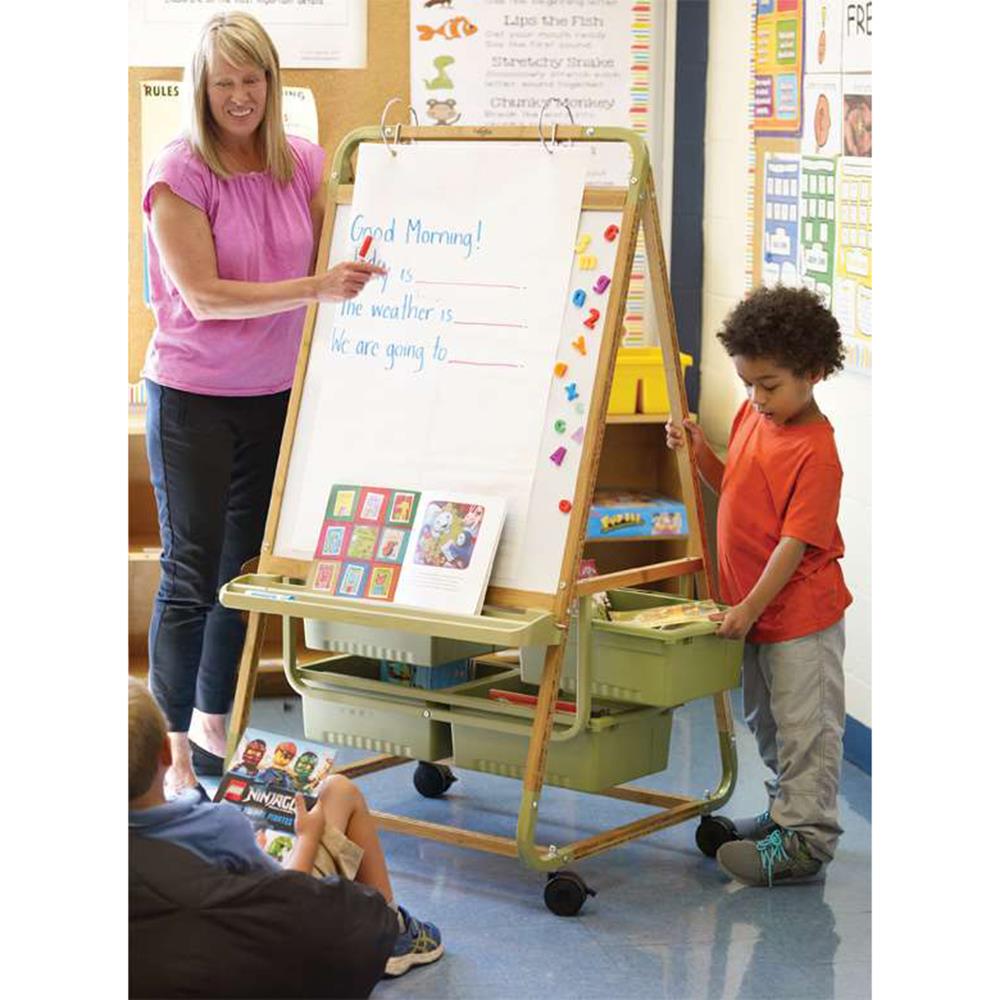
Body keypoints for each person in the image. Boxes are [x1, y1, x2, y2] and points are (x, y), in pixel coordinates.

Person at [141, 12, 385, 795]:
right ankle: (169, 751)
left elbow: (341, 248)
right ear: (200, 90)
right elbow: (205, 297)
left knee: (244, 573)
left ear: (273, 85)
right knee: (190, 571)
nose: (240, 97)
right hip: (192, 397)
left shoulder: (305, 161)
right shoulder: (178, 171)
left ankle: (215, 720)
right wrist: (317, 288)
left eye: (253, 81)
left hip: (275, 393)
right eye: (224, 84)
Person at [666, 285, 852, 887]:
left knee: (807, 732)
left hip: (799, 618)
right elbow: (738, 489)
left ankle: (806, 843)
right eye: (748, 383)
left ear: (813, 372)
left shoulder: (816, 452)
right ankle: (782, 816)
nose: (755, 398)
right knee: (766, 724)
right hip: (754, 613)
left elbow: (793, 545)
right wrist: (698, 453)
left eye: (769, 385)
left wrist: (746, 607)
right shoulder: (754, 417)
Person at [128, 678, 444, 977]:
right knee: (338, 791)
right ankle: (393, 934)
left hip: (187, 955)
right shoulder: (219, 824)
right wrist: (306, 837)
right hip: (261, 948)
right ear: (168, 752)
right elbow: (288, 897)